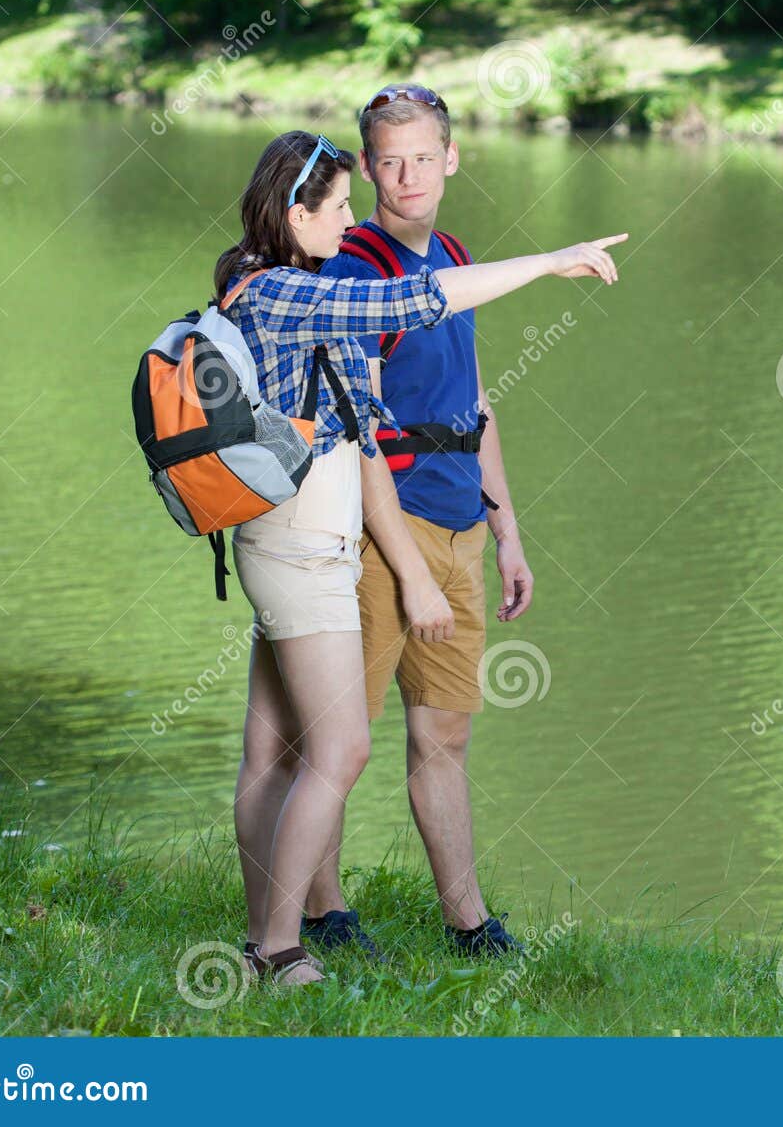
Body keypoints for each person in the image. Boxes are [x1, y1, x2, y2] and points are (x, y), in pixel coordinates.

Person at [215, 129, 626, 984]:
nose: (350, 221)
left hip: (277, 533)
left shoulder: (249, 278)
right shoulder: (302, 293)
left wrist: (501, 523)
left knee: (273, 753)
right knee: (338, 753)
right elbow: (424, 300)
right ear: (299, 213)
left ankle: (269, 929)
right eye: (336, 209)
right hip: (306, 544)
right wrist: (551, 261)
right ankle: (279, 947)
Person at [306, 84, 529, 958]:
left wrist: (506, 527)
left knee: (444, 733)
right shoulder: (356, 270)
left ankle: (468, 924)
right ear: (365, 169)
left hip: (457, 527)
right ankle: (321, 914)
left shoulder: (457, 256)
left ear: (452, 158)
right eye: (389, 162)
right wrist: (406, 569)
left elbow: (474, 402)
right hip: (374, 536)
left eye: (423, 159)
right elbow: (359, 436)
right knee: (337, 743)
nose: (407, 178)